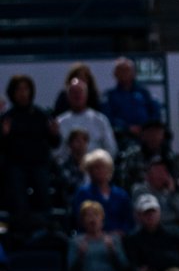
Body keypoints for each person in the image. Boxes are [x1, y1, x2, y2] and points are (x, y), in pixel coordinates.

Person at [0, 73, 59, 230]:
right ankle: (19, 232)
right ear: (12, 92)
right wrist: (3, 135)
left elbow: (54, 143)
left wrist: (54, 134)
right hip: (16, 165)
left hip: (39, 164)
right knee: (15, 187)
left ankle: (46, 230)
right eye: (19, 89)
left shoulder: (41, 116)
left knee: (43, 188)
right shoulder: (7, 118)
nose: (23, 93)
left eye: (26, 89)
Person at [72, 149, 134, 233]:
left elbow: (128, 221)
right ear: (89, 171)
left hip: (117, 240)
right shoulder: (83, 193)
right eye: (96, 167)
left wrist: (120, 233)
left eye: (103, 167)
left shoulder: (121, 195)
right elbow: (79, 220)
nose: (100, 171)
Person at [56, 78, 117, 159]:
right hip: (68, 167)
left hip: (95, 166)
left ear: (86, 95)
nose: (77, 95)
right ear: (68, 96)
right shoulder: (60, 122)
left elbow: (111, 149)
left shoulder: (100, 120)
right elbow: (57, 153)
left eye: (80, 92)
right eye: (73, 93)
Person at [103, 57, 161, 139]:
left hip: (145, 135)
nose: (125, 74)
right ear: (115, 74)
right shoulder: (109, 96)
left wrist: (147, 128)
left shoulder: (143, 93)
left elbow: (154, 112)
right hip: (121, 136)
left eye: (127, 70)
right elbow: (108, 119)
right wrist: (127, 128)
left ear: (134, 73)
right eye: (121, 71)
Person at [131, 157, 179, 228]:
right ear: (148, 175)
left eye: (164, 171)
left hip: (172, 231)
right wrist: (174, 216)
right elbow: (149, 218)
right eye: (157, 172)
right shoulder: (140, 190)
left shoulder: (169, 191)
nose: (161, 175)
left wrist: (172, 194)